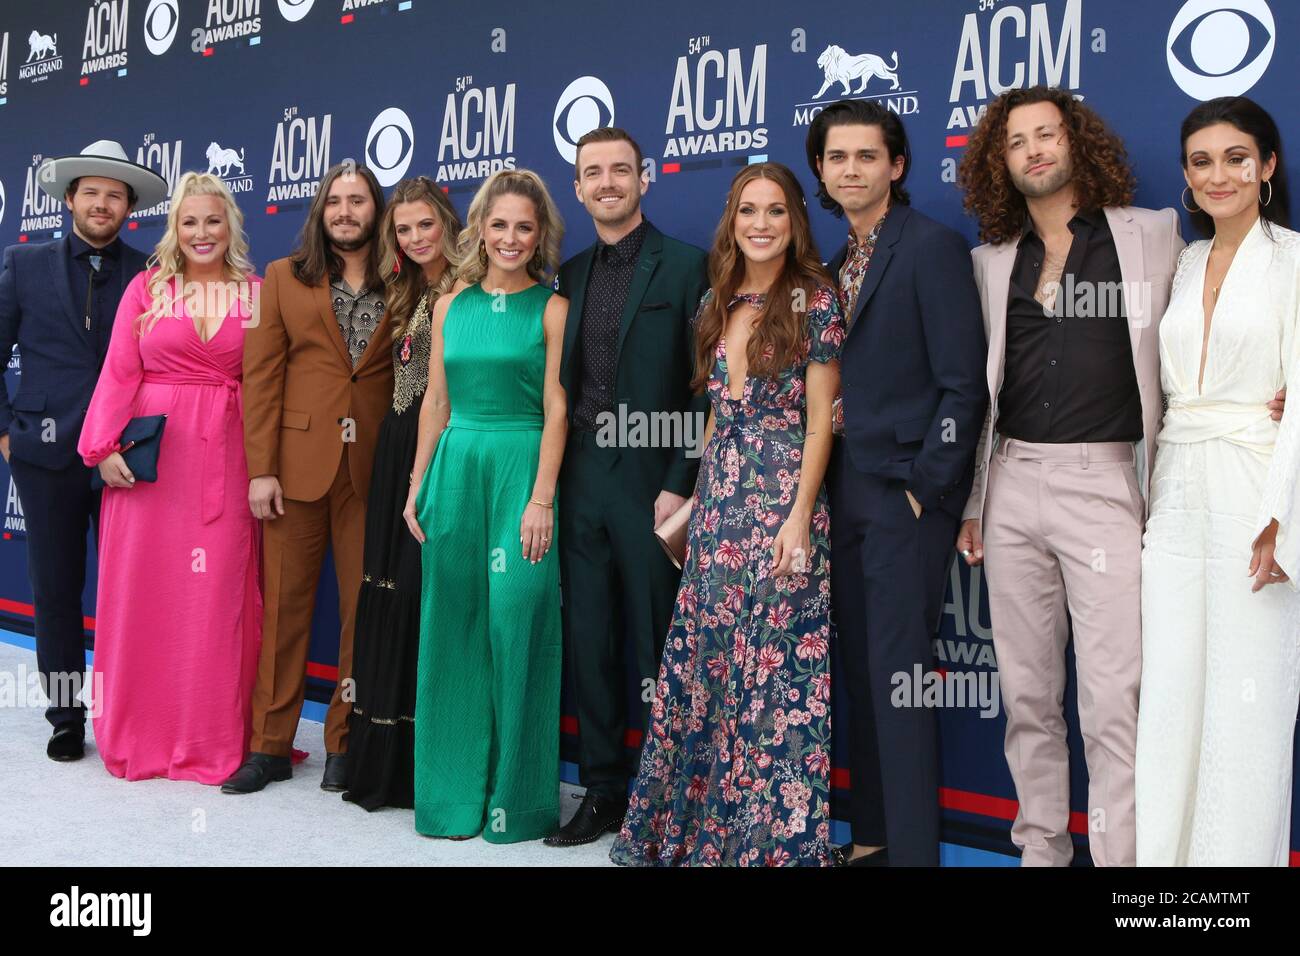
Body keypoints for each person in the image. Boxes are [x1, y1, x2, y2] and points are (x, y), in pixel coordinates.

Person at [955, 86, 1204, 867]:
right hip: (1011, 483)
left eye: (1047, 134)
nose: (1033, 149)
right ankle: (1041, 851)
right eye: (1016, 140)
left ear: (1077, 143)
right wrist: (973, 501)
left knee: (1111, 702)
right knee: (1027, 696)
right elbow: (979, 394)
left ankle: (1122, 862)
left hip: (1104, 486)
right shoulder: (990, 264)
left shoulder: (1153, 235)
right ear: (1000, 163)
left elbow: (1218, 300)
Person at [610, 162, 843, 867]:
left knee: (774, 683)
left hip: (782, 506)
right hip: (719, 510)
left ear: (794, 220)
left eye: (775, 211)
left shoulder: (816, 302)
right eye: (749, 211)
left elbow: (820, 423)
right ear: (732, 220)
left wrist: (800, 517)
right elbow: (714, 415)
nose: (762, 224)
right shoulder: (720, 300)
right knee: (705, 671)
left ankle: (768, 847)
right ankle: (699, 839)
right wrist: (693, 496)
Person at [807, 100, 988, 867]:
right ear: (821, 169)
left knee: (902, 680)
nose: (851, 169)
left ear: (897, 166)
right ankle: (873, 839)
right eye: (837, 157)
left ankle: (912, 854)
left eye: (866, 156)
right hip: (841, 491)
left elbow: (963, 385)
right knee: (861, 676)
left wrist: (927, 488)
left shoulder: (932, 247)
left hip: (902, 497)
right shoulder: (828, 261)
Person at [1136, 96, 1300, 866]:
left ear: (1267, 166)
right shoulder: (1187, 262)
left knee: (1248, 707)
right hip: (1175, 495)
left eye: (1237, 157)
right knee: (1170, 703)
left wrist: (1282, 518)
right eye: (1201, 161)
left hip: (1257, 493)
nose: (1219, 174)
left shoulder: (1295, 260)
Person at [546, 128, 709, 847]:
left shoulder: (689, 268)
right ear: (578, 189)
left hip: (653, 485)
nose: (606, 182)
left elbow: (707, 386)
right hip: (580, 476)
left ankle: (667, 798)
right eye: (591, 173)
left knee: (655, 643)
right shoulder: (570, 273)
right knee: (590, 639)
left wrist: (681, 479)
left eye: (619, 170)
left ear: (644, 179)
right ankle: (605, 788)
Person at [77, 172, 262, 783]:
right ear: (173, 230)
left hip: (227, 462)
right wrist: (102, 448)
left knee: (217, 598)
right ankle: (143, 729)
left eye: (213, 220)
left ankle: (209, 735)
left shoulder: (255, 293)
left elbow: (269, 386)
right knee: (145, 594)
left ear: (230, 224)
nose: (202, 233)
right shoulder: (147, 288)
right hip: (150, 468)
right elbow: (117, 372)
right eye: (189, 222)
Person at [403, 169, 569, 843]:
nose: (510, 238)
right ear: (479, 229)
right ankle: (448, 800)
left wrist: (542, 499)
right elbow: (436, 400)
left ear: (540, 236)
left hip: (521, 466)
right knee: (454, 626)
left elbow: (559, 407)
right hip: (457, 463)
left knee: (515, 620)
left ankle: (518, 802)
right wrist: (419, 481)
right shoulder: (451, 304)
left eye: (524, 227)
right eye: (498, 224)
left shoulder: (553, 308)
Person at [224, 163, 394, 794]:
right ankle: (269, 745)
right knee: (286, 611)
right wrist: (261, 470)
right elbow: (261, 378)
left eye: (358, 201)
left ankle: (345, 745)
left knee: (362, 612)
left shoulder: (400, 280)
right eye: (335, 202)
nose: (346, 211)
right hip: (294, 471)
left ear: (375, 211)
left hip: (370, 472)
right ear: (320, 213)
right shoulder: (282, 278)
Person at [0, 141, 165, 762]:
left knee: (133, 590)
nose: (102, 203)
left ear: (129, 208)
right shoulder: (24, 264)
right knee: (56, 590)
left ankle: (133, 708)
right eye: (91, 192)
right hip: (44, 458)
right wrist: (6, 436)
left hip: (124, 460)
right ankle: (66, 716)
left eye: (114, 195)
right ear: (70, 199)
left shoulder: (151, 272)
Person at [342, 177, 462, 811]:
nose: (416, 238)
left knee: (425, 595)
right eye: (404, 229)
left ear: (447, 222)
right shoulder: (404, 287)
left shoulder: (468, 286)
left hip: (441, 447)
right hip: (396, 445)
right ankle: (379, 761)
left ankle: (423, 764)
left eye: (426, 225)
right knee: (387, 589)